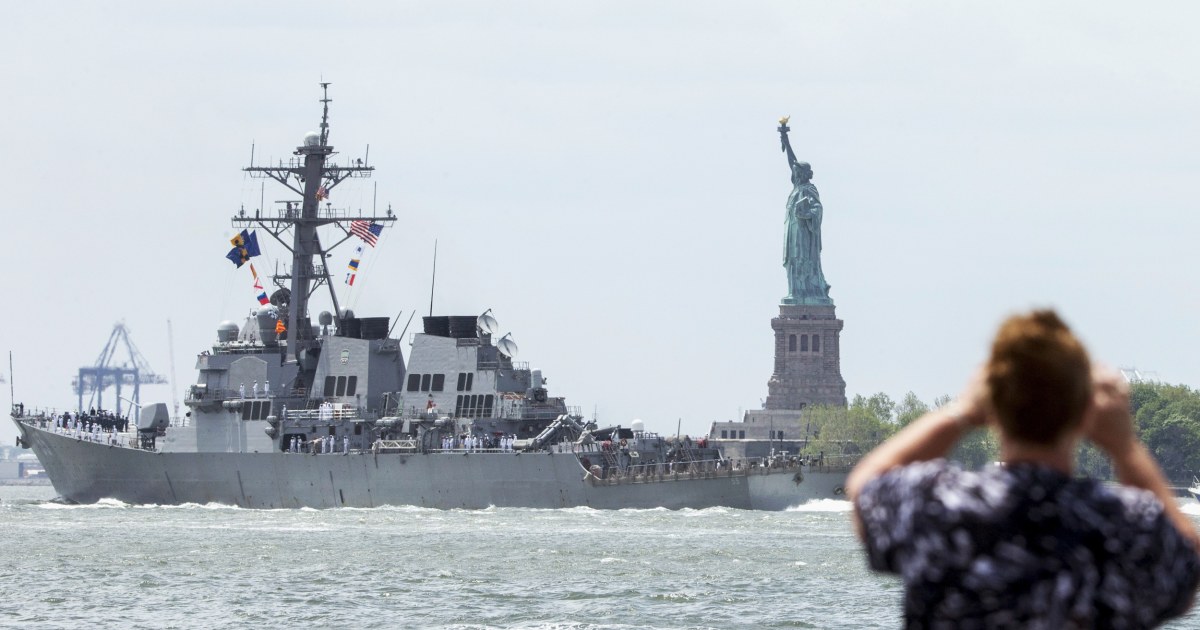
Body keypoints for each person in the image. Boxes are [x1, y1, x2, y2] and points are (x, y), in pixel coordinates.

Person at [847, 309, 1200, 627]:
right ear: (1082, 413)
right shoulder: (1119, 524)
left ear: (993, 405)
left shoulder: (938, 506)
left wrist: (961, 411)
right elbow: (1186, 567)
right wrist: (1124, 446)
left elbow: (865, 486)